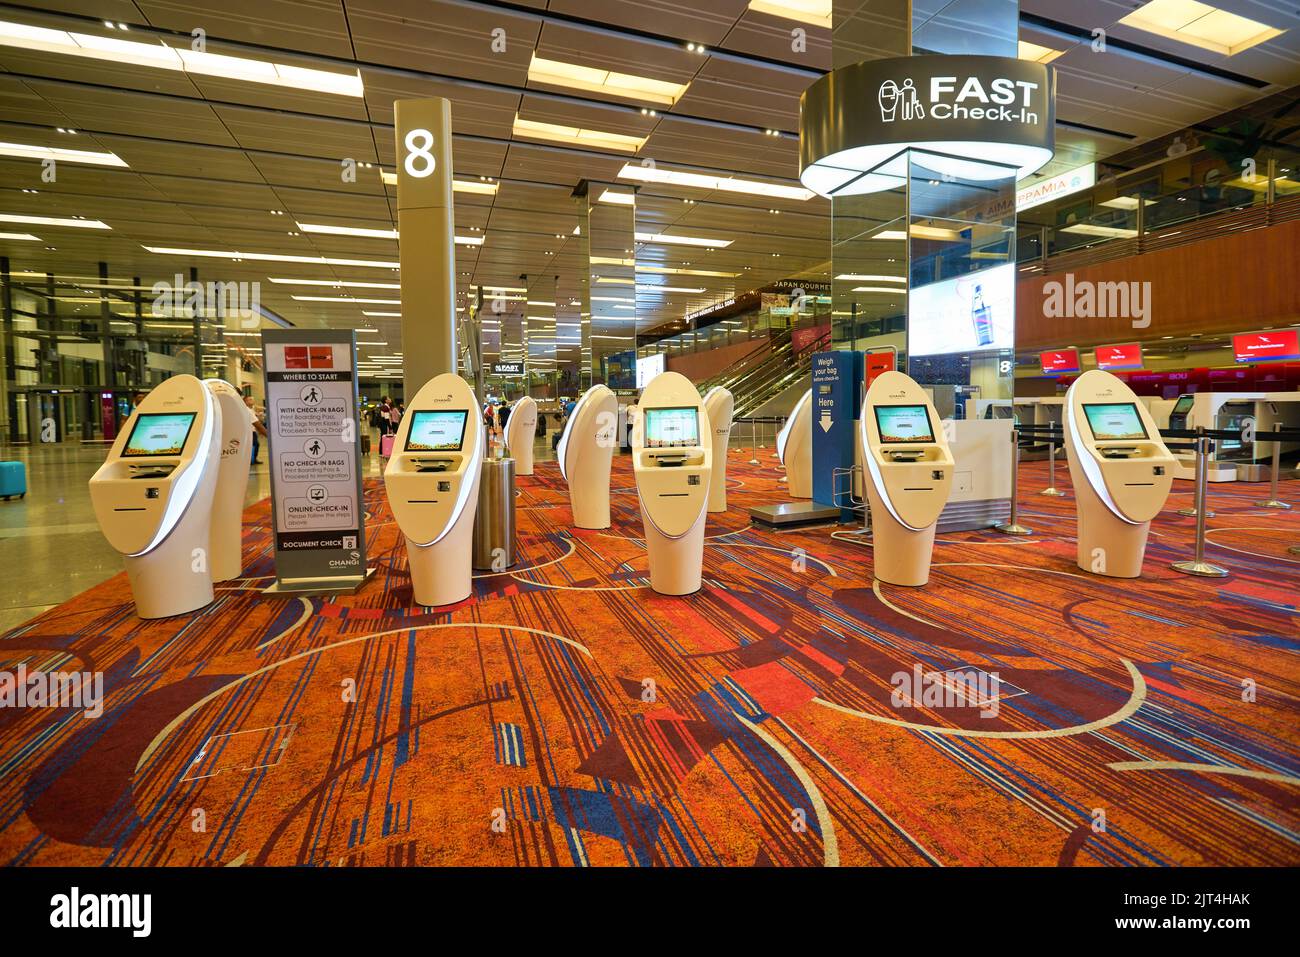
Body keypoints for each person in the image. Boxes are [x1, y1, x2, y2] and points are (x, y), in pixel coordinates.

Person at [244, 395, 268, 464]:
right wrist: (268, 435)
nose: (252, 401)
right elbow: (258, 425)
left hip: (252, 430)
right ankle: (251, 460)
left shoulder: (251, 409)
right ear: (245, 402)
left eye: (252, 399)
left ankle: (253, 459)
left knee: (255, 444)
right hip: (250, 431)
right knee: (254, 444)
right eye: (250, 399)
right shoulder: (247, 410)